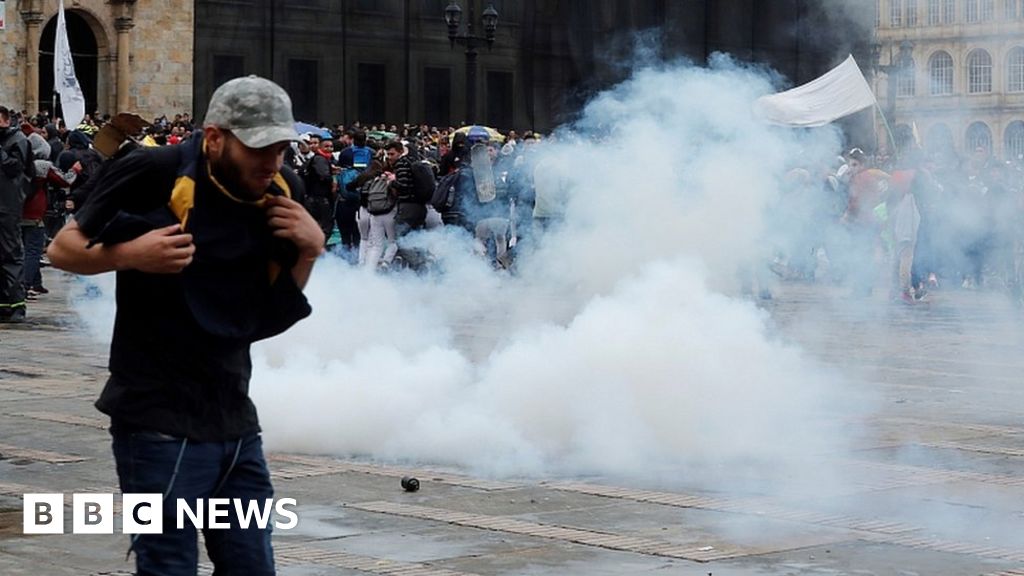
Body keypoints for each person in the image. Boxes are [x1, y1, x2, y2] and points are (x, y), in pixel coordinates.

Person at [46, 75, 324, 575]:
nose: (272, 162)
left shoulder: (283, 190)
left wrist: (308, 252)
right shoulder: (153, 170)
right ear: (215, 138)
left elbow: (263, 315)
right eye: (259, 148)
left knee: (253, 566)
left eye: (281, 148)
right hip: (155, 420)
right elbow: (62, 248)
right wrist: (132, 254)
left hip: (234, 417)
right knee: (168, 565)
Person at [0, 105, 31, 323]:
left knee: (11, 253)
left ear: (4, 120)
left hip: (8, 206)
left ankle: (17, 303)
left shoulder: (18, 140)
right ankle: (3, 302)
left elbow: (15, 168)